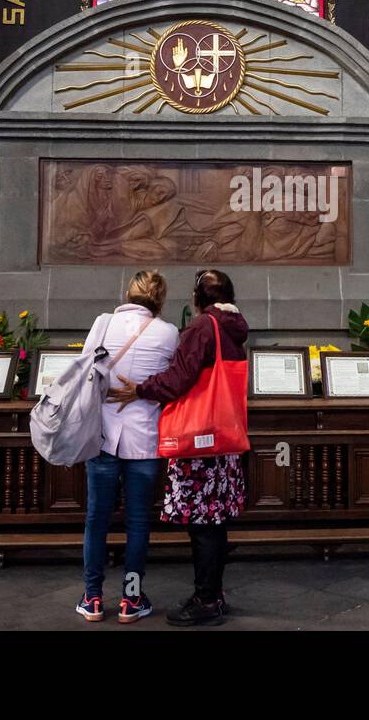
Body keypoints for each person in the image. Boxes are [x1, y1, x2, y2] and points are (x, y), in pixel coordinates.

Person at [107, 268, 247, 626]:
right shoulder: (233, 326)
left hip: (199, 439)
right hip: (221, 436)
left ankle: (206, 599)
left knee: (202, 523)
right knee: (213, 520)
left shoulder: (203, 327)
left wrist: (140, 388)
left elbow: (179, 378)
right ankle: (214, 593)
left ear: (199, 298)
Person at [73, 270, 179, 624]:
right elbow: (170, 383)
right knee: (137, 522)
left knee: (96, 519)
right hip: (144, 440)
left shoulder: (102, 324)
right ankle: (131, 599)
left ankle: (92, 597)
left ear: (128, 293)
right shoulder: (168, 333)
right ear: (160, 299)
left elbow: (85, 372)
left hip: (101, 435)